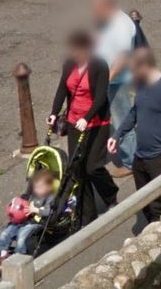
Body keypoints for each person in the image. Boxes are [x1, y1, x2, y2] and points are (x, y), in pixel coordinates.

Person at [107, 47, 161, 226]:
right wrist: (117, 135)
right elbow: (134, 113)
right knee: (143, 200)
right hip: (142, 155)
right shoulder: (141, 84)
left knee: (156, 208)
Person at [48, 30, 117, 225]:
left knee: (93, 167)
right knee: (78, 168)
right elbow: (62, 89)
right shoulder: (69, 64)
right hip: (74, 121)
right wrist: (54, 113)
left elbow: (101, 96)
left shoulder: (99, 66)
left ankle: (110, 194)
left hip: (96, 123)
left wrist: (87, 118)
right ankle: (87, 215)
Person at [91, 0, 144, 178]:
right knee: (112, 117)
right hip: (108, 78)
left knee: (122, 119)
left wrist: (105, 80)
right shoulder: (111, 20)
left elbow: (121, 58)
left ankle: (130, 162)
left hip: (116, 82)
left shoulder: (121, 25)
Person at [0, 168, 62, 269]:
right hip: (24, 218)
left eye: (40, 187)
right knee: (5, 233)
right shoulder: (34, 194)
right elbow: (25, 200)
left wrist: (36, 210)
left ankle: (20, 258)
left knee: (22, 236)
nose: (36, 189)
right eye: (35, 186)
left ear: (48, 187)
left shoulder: (50, 197)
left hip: (36, 221)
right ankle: (4, 254)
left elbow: (49, 211)